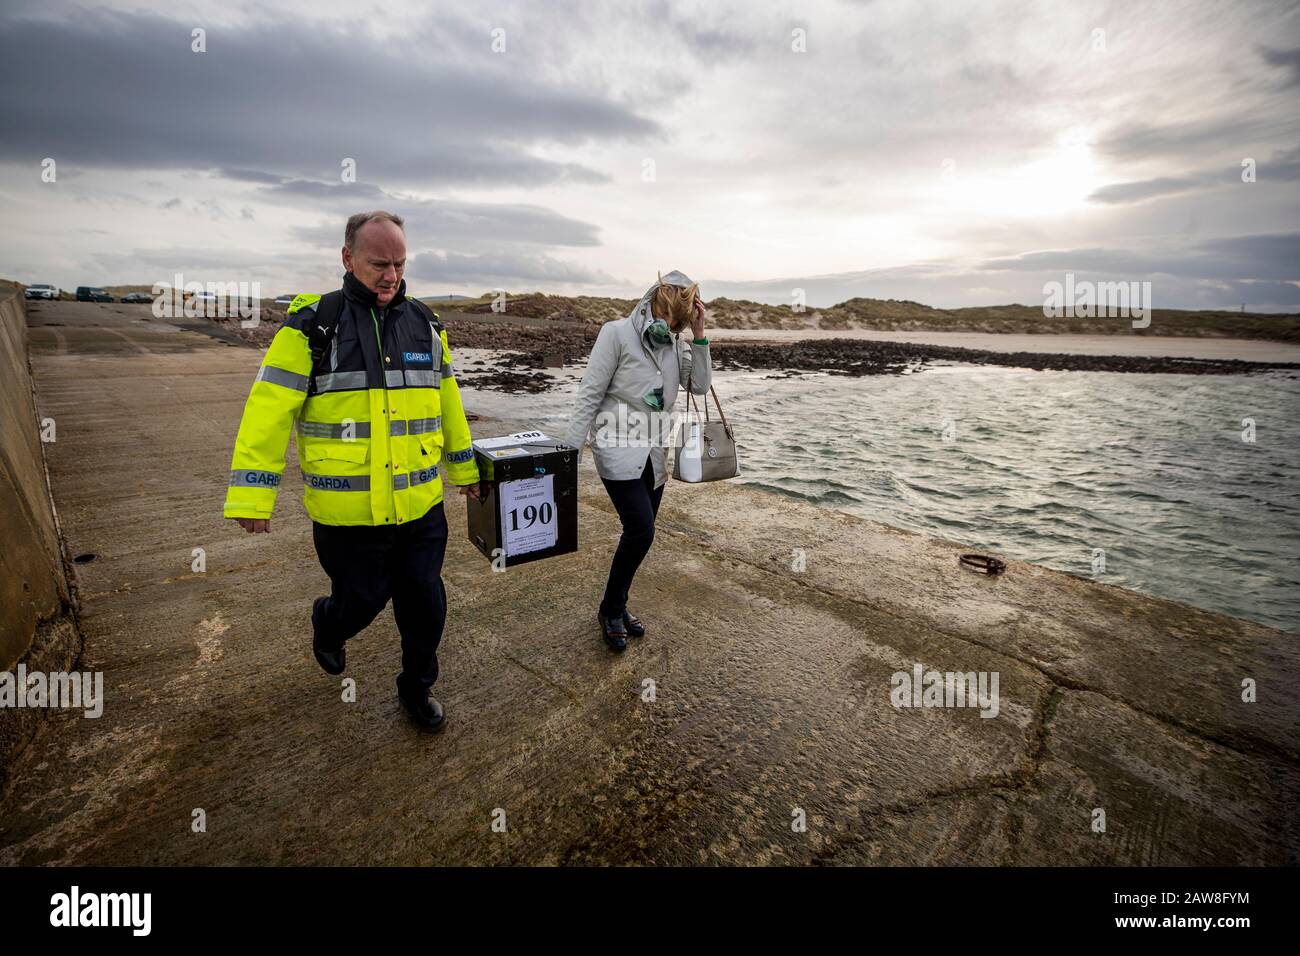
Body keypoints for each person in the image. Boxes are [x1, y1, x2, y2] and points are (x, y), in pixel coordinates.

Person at [223, 210, 482, 730]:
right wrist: (253, 495)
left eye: (400, 263)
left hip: (420, 508)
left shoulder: (427, 326)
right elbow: (268, 413)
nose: (391, 275)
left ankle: (416, 688)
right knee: (361, 601)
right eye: (379, 263)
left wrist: (466, 472)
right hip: (347, 514)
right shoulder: (311, 327)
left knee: (425, 605)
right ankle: (329, 621)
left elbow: (448, 404)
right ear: (348, 258)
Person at [564, 270, 711, 651]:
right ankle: (611, 609)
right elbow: (589, 394)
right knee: (642, 530)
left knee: (638, 537)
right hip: (616, 447)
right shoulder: (615, 334)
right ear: (655, 302)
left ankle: (616, 604)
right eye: (669, 318)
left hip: (655, 454)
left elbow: (698, 386)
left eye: (678, 322)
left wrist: (699, 335)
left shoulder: (678, 342)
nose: (670, 326)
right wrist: (567, 454)